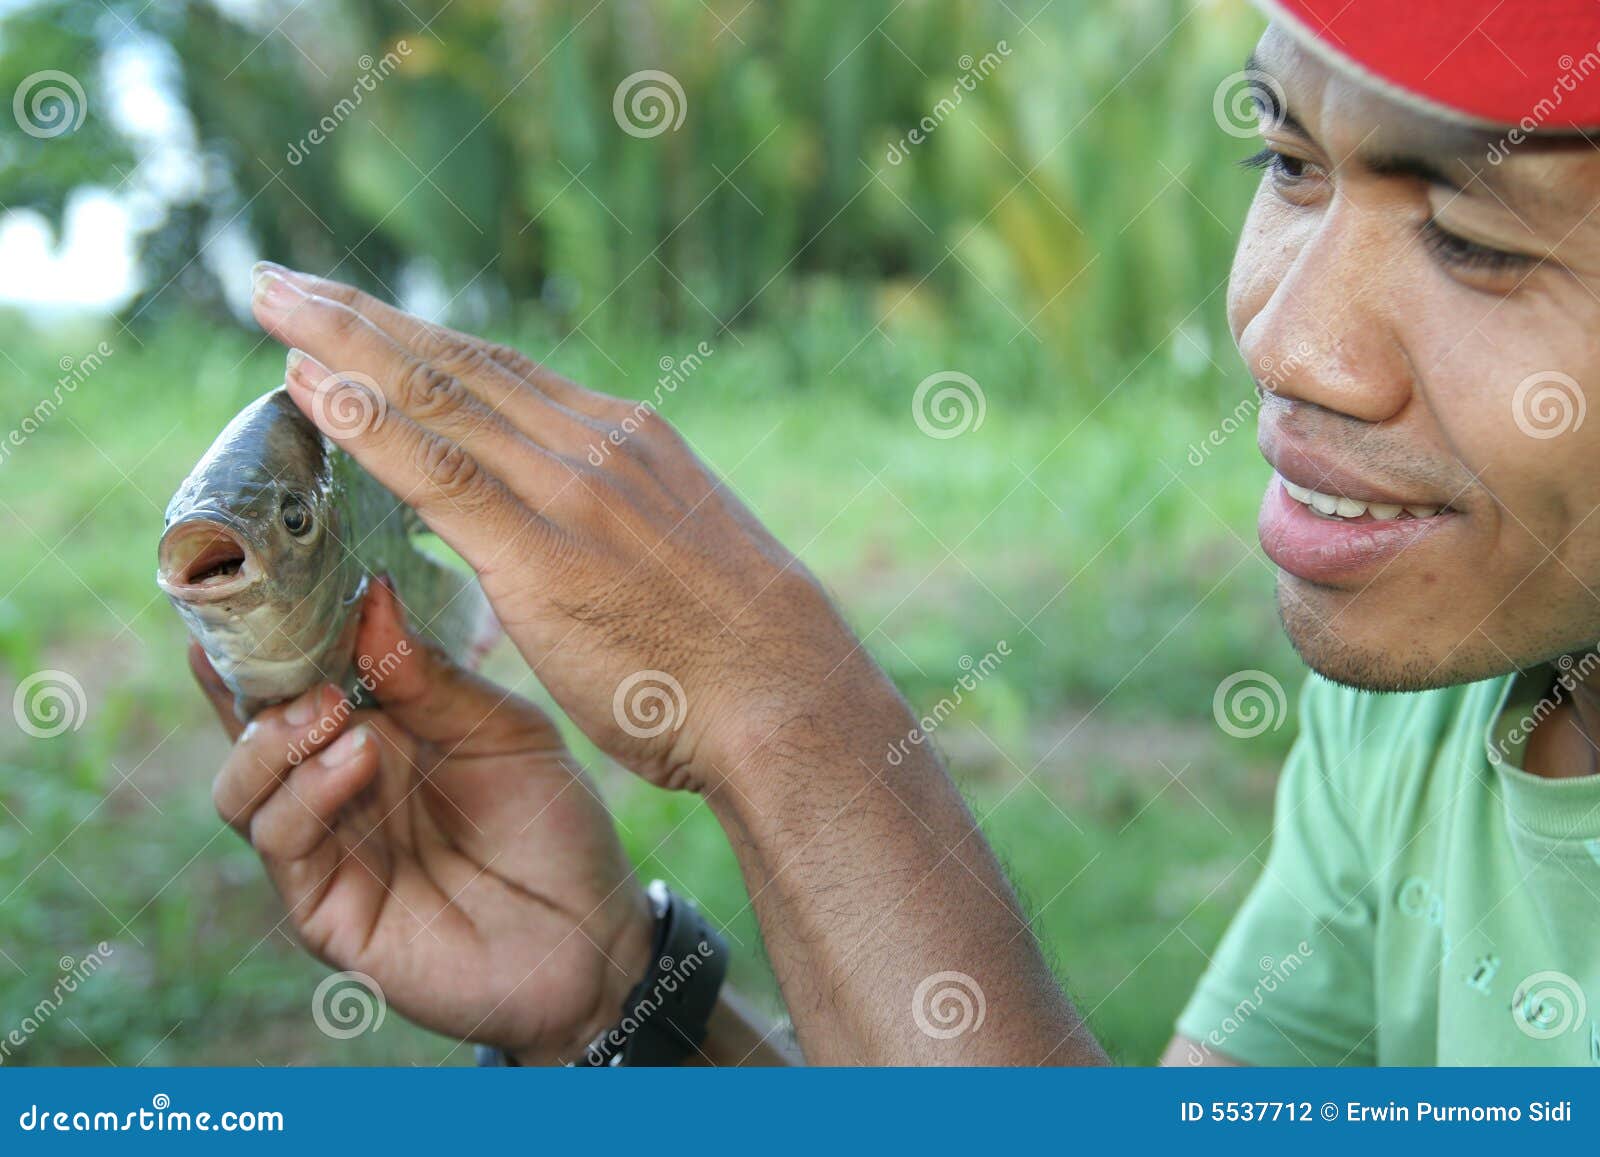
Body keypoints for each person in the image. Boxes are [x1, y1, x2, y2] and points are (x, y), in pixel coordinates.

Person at [197, 0, 1600, 1066]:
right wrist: (627, 1003)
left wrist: (784, 711)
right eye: (1286, 159)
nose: (1286, 340)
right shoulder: (1429, 714)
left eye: (1477, 241)